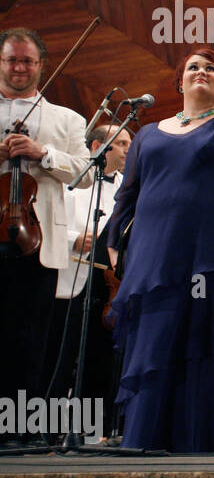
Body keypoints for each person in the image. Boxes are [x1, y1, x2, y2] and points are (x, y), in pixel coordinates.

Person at [104, 0, 214, 452]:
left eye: (212, 68)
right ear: (180, 80)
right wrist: (116, 243)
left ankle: (195, 452)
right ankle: (142, 446)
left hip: (210, 256)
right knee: (152, 348)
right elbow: (128, 193)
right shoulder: (146, 134)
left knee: (199, 350)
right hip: (153, 257)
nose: (201, 71)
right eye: (193, 66)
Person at [0, 27, 92, 438]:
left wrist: (42, 153)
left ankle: (22, 433)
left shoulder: (67, 119)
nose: (19, 68)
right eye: (11, 60)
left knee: (31, 341)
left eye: (27, 61)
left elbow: (85, 174)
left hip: (39, 243)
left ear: (41, 65)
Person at [43, 125, 131, 419]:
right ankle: (47, 428)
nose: (127, 148)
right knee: (60, 356)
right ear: (97, 146)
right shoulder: (72, 183)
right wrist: (73, 239)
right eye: (120, 143)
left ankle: (92, 429)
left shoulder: (126, 189)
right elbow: (48, 220)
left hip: (108, 285)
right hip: (71, 277)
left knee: (99, 357)